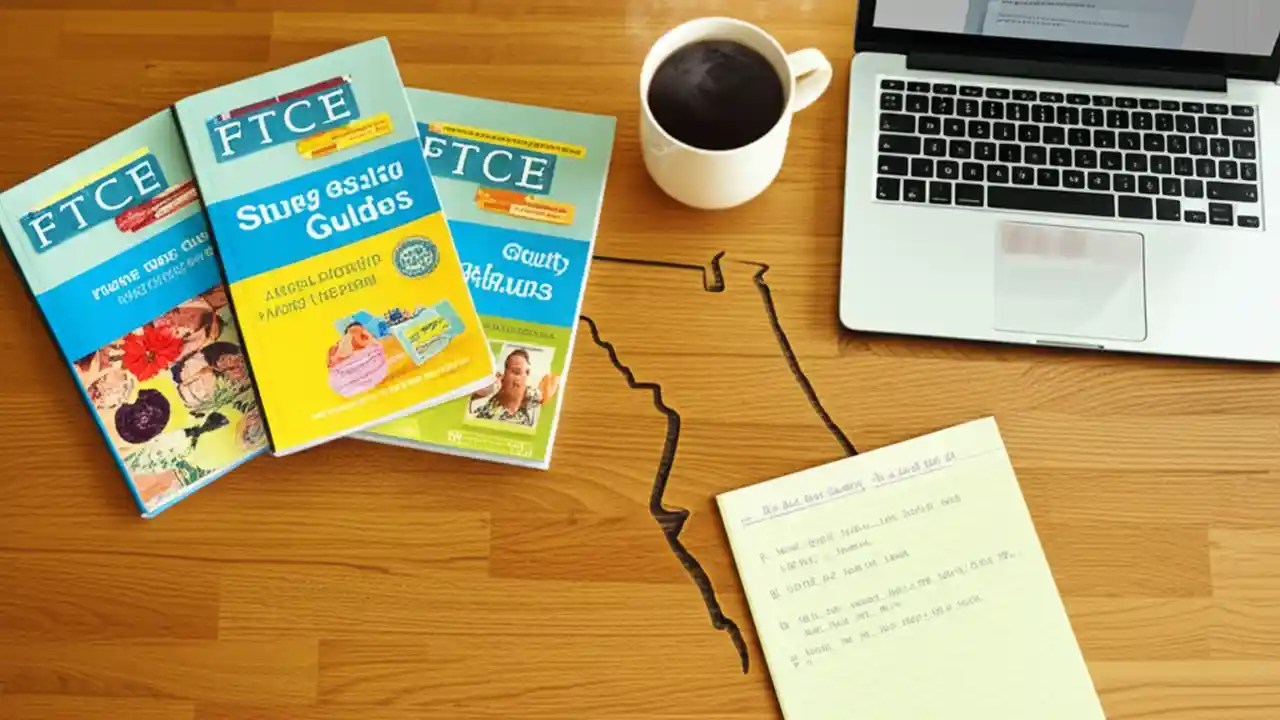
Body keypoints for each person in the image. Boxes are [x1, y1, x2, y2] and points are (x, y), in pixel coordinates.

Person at [471, 348, 559, 427]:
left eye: (525, 373)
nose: (519, 380)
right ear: (504, 375)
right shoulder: (489, 397)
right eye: (516, 372)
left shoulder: (530, 395)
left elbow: (554, 378)